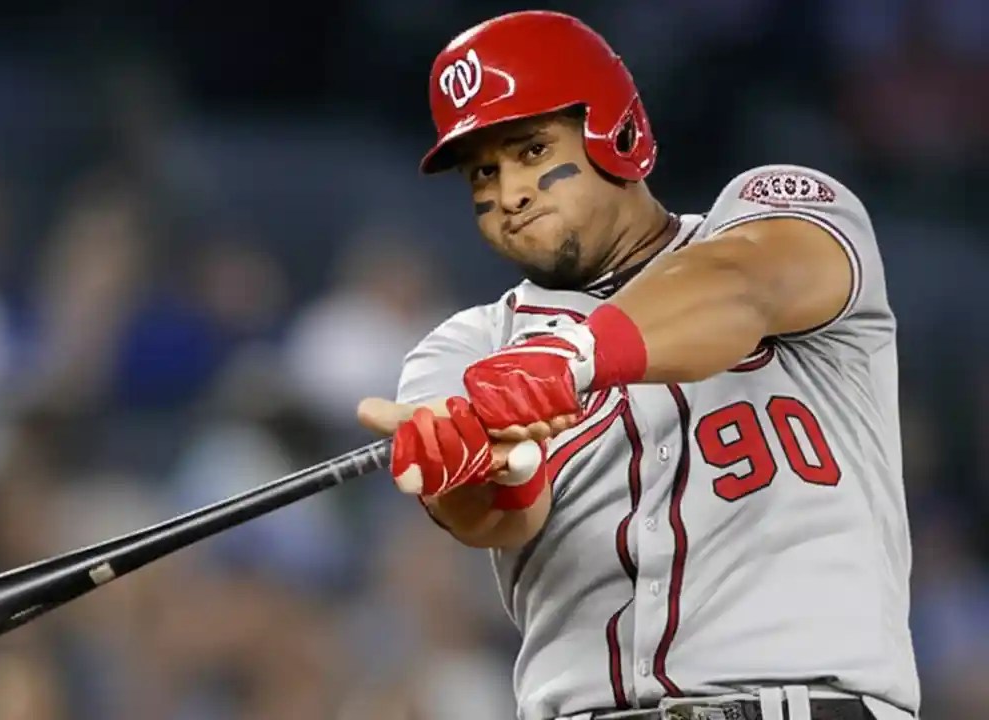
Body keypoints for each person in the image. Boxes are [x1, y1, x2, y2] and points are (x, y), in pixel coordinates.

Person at [356, 11, 917, 720]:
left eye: (532, 150)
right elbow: (496, 519)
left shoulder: (778, 215)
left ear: (615, 131)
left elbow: (743, 285)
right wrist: (481, 465)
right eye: (483, 173)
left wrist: (572, 360)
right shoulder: (466, 348)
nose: (508, 194)